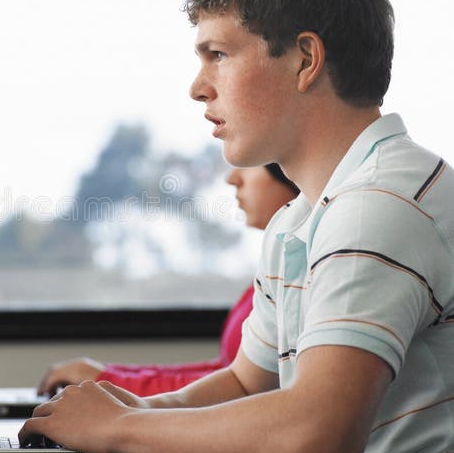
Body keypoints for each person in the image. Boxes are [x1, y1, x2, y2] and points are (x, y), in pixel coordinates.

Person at [20, 0, 454, 453]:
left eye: (218, 55)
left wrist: (121, 430)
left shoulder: (379, 205)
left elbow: (315, 435)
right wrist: (138, 413)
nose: (198, 88)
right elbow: (249, 385)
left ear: (305, 59)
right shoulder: (302, 218)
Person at [37, 164, 299, 396]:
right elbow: (226, 373)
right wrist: (105, 375)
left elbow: (236, 387)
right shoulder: (273, 271)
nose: (232, 178)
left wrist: (108, 381)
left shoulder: (300, 274)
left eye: (252, 164)